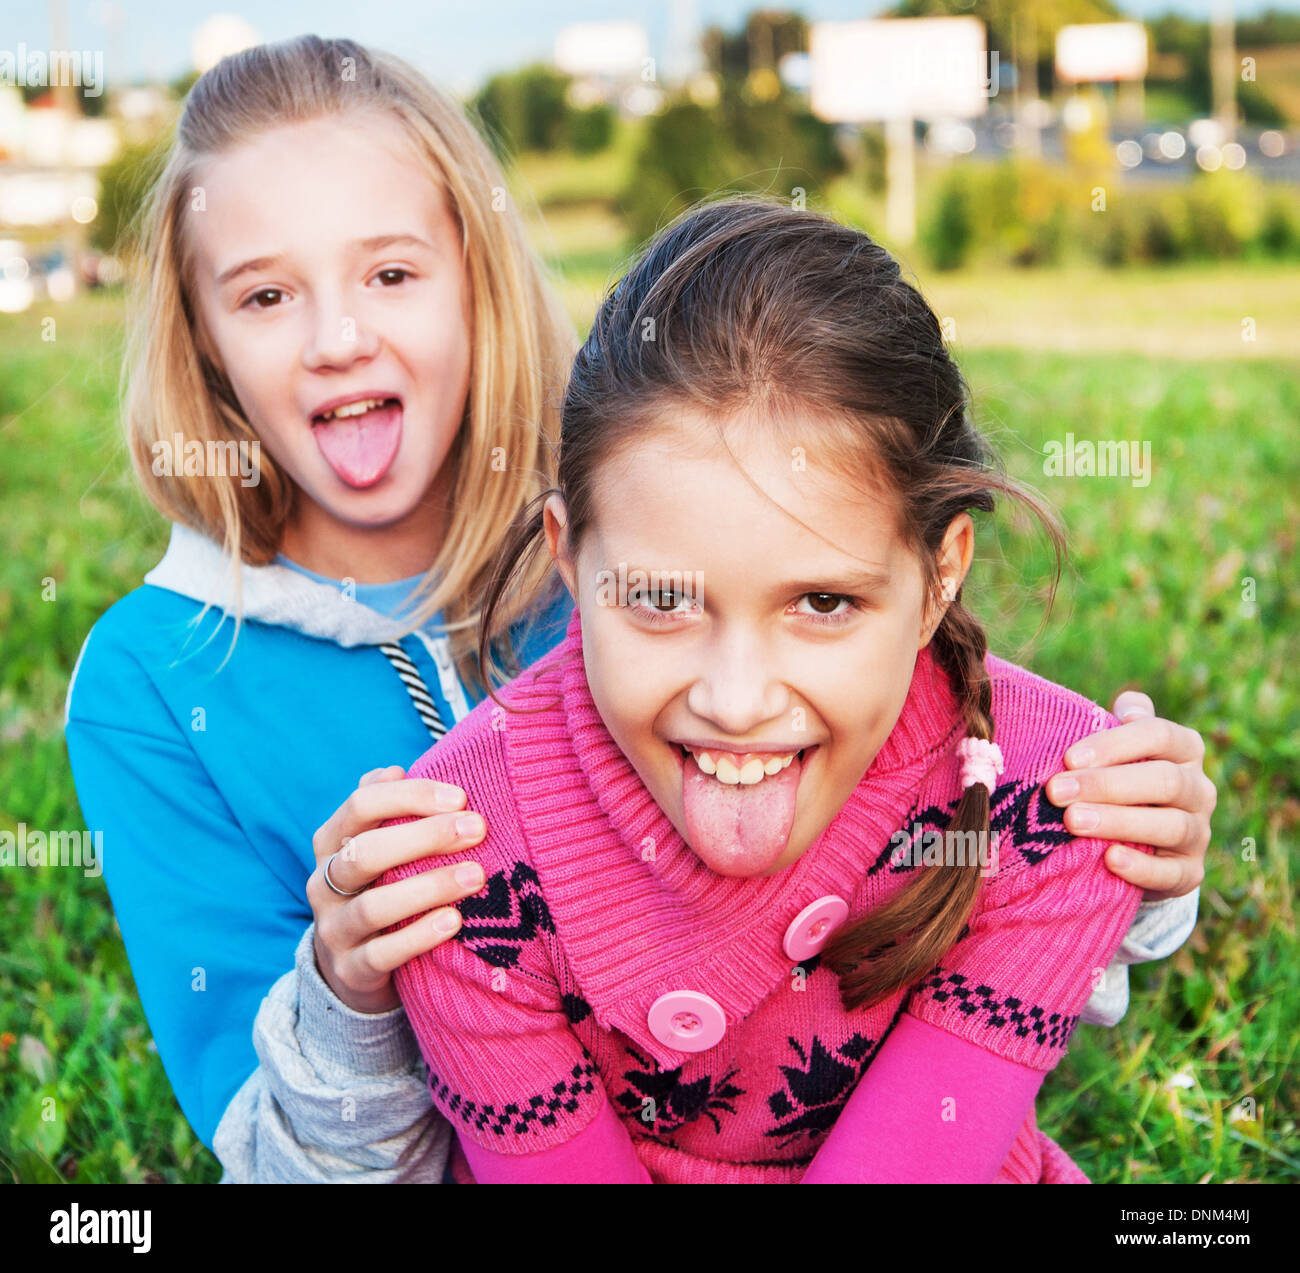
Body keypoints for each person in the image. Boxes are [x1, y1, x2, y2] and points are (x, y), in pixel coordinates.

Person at [63, 38, 1210, 1185]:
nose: (337, 339)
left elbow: (945, 807)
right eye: (265, 294)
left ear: (479, 278)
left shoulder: (673, 510)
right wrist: (349, 983)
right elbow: (271, 1154)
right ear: (202, 339)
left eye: (392, 274)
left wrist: (1134, 853)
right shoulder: (152, 684)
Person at [380, 197, 1211, 1184]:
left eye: (821, 601)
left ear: (938, 573)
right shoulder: (459, 864)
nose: (737, 699)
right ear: (570, 562)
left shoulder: (1055, 802)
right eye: (658, 599)